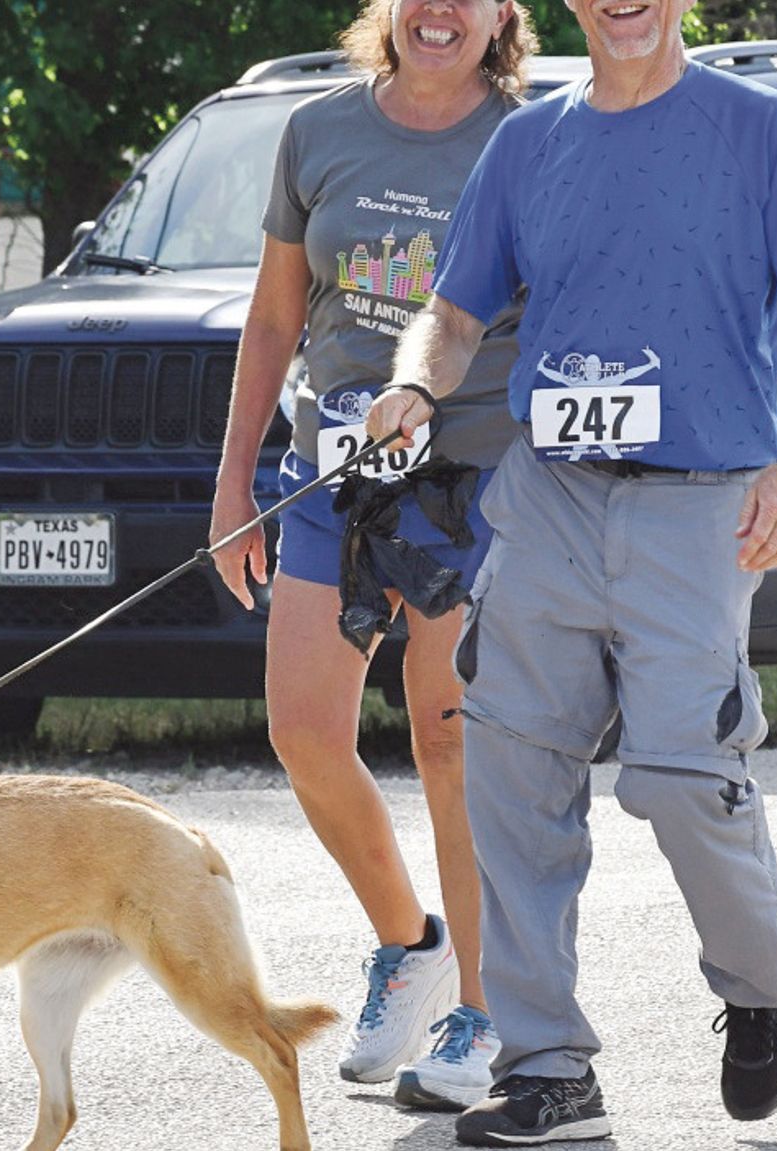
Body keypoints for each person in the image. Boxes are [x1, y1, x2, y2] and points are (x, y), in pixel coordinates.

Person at [366, 0, 777, 1142]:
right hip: (550, 493)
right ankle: (548, 1071)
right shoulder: (528, 142)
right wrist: (414, 382)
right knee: (511, 772)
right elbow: (452, 313)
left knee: (684, 772)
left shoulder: (758, 128)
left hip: (703, 499)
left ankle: (760, 982)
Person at [208, 0, 538, 1112]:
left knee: (450, 737)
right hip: (331, 475)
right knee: (303, 731)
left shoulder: (530, 136)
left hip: (471, 480)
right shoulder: (319, 131)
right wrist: (234, 487)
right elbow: (272, 320)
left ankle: (486, 1012)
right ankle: (412, 943)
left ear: (503, 13)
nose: (439, 13)